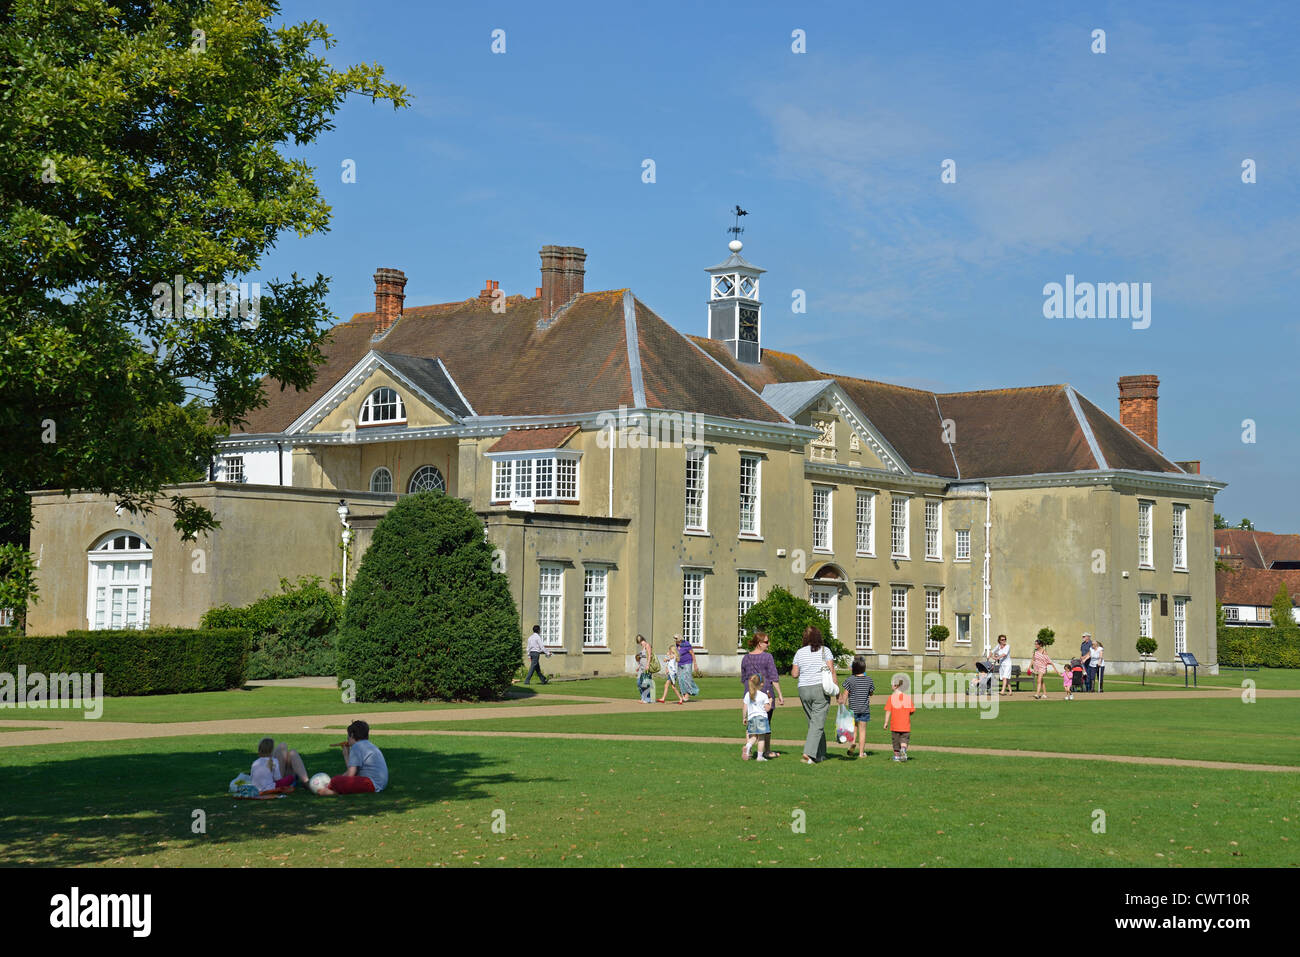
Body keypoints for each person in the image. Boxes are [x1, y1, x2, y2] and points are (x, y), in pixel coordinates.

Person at [790, 625, 835, 764]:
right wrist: (837, 690)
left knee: (814, 722)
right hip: (819, 688)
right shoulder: (825, 650)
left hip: (803, 689)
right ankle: (809, 753)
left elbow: (794, 674)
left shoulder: (799, 652)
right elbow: (831, 670)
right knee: (817, 723)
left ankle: (820, 754)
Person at [739, 631, 784, 757]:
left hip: (750, 694)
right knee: (766, 724)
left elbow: (744, 679)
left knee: (750, 724)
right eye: (766, 642)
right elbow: (773, 677)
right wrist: (780, 694)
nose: (768, 644)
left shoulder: (745, 658)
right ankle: (766, 751)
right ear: (759, 643)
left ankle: (749, 748)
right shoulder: (768, 657)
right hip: (766, 693)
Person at [318, 720, 388, 795]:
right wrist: (346, 755)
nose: (347, 738)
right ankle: (333, 791)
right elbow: (354, 771)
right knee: (339, 780)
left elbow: (351, 774)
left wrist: (333, 782)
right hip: (379, 784)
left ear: (351, 735)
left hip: (370, 783)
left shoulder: (357, 747)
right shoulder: (368, 745)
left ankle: (329, 791)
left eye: (348, 735)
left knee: (336, 780)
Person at [838, 656, 876, 758]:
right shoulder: (869, 680)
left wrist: (842, 707)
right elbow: (871, 693)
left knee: (853, 729)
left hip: (853, 709)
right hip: (864, 709)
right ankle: (861, 753)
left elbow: (845, 694)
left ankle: (853, 743)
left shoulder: (850, 680)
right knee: (862, 731)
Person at [741, 673, 773, 761]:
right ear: (761, 684)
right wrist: (770, 701)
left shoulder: (748, 694)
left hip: (751, 718)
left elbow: (744, 707)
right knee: (761, 738)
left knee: (753, 737)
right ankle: (759, 757)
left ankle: (748, 747)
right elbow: (767, 709)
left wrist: (744, 718)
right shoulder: (763, 695)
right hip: (761, 718)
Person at [883, 677, 915, 761]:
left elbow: (888, 711)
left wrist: (886, 722)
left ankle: (897, 756)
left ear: (896, 686)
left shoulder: (892, 697)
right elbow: (912, 711)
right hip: (905, 725)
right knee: (904, 740)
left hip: (895, 725)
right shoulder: (907, 697)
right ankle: (903, 750)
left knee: (896, 742)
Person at [675, 634, 700, 700]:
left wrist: (695, 664)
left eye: (676, 639)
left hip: (687, 662)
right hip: (680, 663)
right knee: (680, 679)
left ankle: (689, 693)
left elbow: (692, 653)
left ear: (680, 639)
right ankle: (684, 693)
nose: (675, 640)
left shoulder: (686, 644)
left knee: (687, 678)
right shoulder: (677, 645)